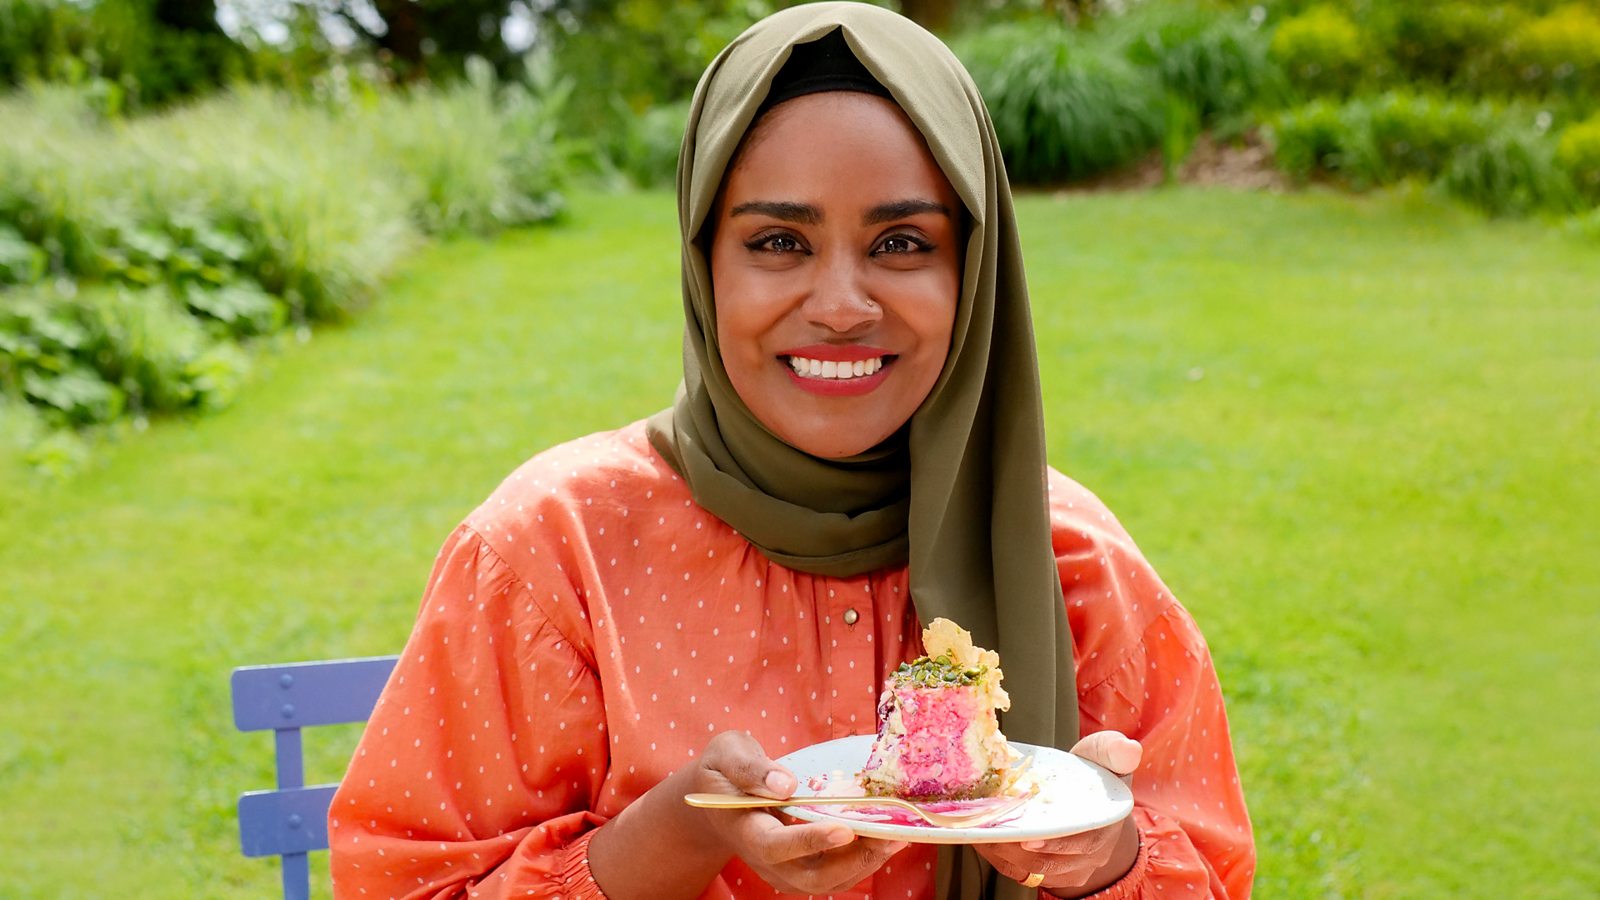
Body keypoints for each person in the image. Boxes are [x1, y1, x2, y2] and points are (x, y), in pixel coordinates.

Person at [328, 3, 1254, 898]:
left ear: (974, 271)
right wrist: (680, 832)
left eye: (901, 242)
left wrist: (1107, 862)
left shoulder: (1074, 566)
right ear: (704, 264)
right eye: (779, 241)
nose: (842, 306)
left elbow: (1212, 877)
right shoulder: (556, 557)